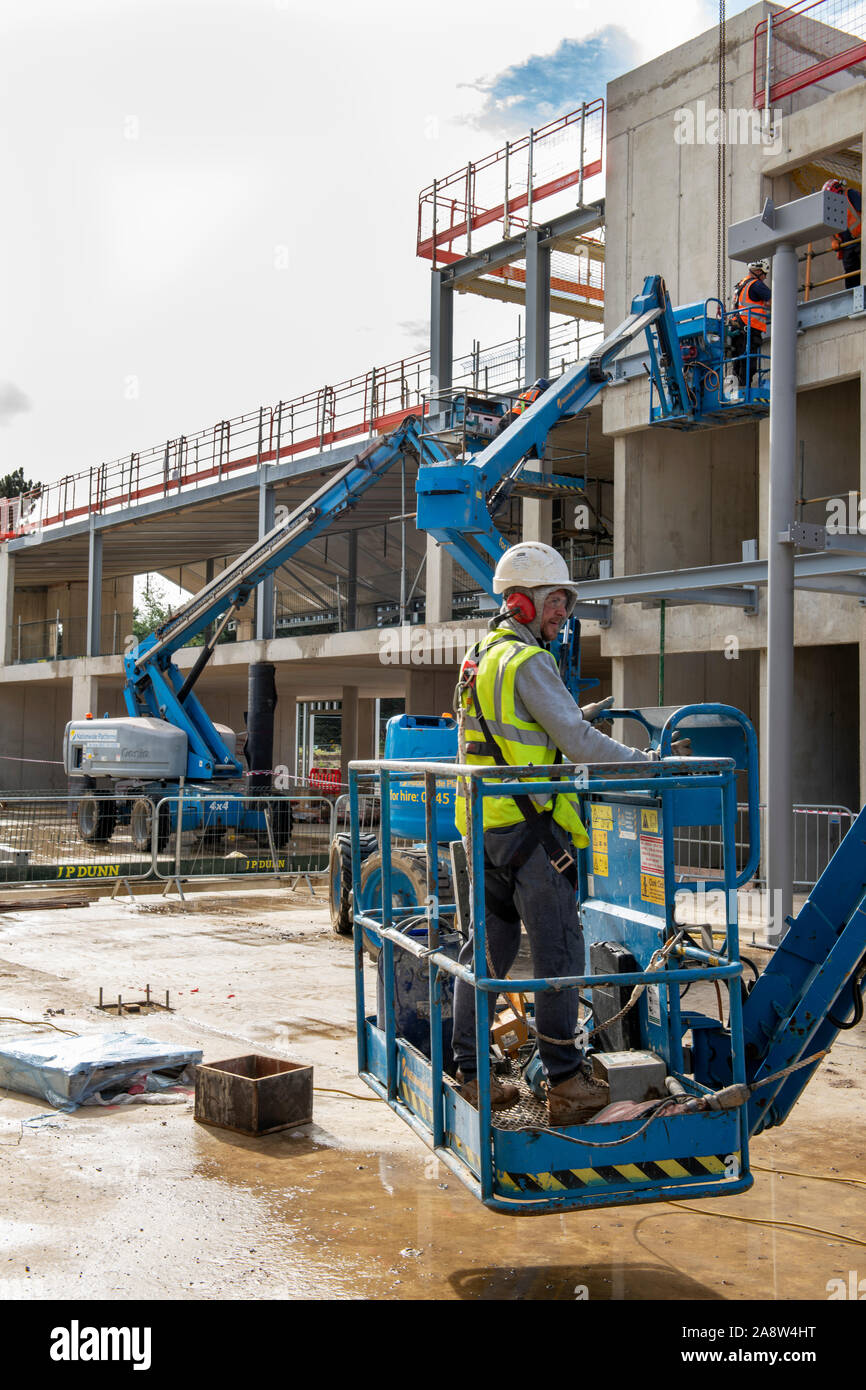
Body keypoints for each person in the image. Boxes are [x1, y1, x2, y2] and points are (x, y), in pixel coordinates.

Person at [450, 541, 688, 1127]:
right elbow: (577, 746)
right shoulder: (530, 661)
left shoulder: (482, 654)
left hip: (488, 825)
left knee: (490, 950)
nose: (563, 612)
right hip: (533, 832)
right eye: (555, 600)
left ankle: (472, 1069)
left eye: (566, 600)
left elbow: (520, 731)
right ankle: (564, 1081)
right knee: (560, 955)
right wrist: (648, 761)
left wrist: (575, 718)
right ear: (522, 603)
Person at [730, 262, 771, 391]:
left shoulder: (741, 284)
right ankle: (743, 389)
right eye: (764, 274)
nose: (765, 277)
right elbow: (773, 300)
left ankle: (736, 389)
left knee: (738, 360)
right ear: (758, 271)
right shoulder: (756, 284)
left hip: (736, 327)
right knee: (749, 364)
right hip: (749, 328)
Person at [824, 179, 862, 290]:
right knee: (850, 274)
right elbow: (827, 226)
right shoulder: (830, 207)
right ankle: (851, 295)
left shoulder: (851, 195)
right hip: (846, 246)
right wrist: (833, 240)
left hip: (860, 240)